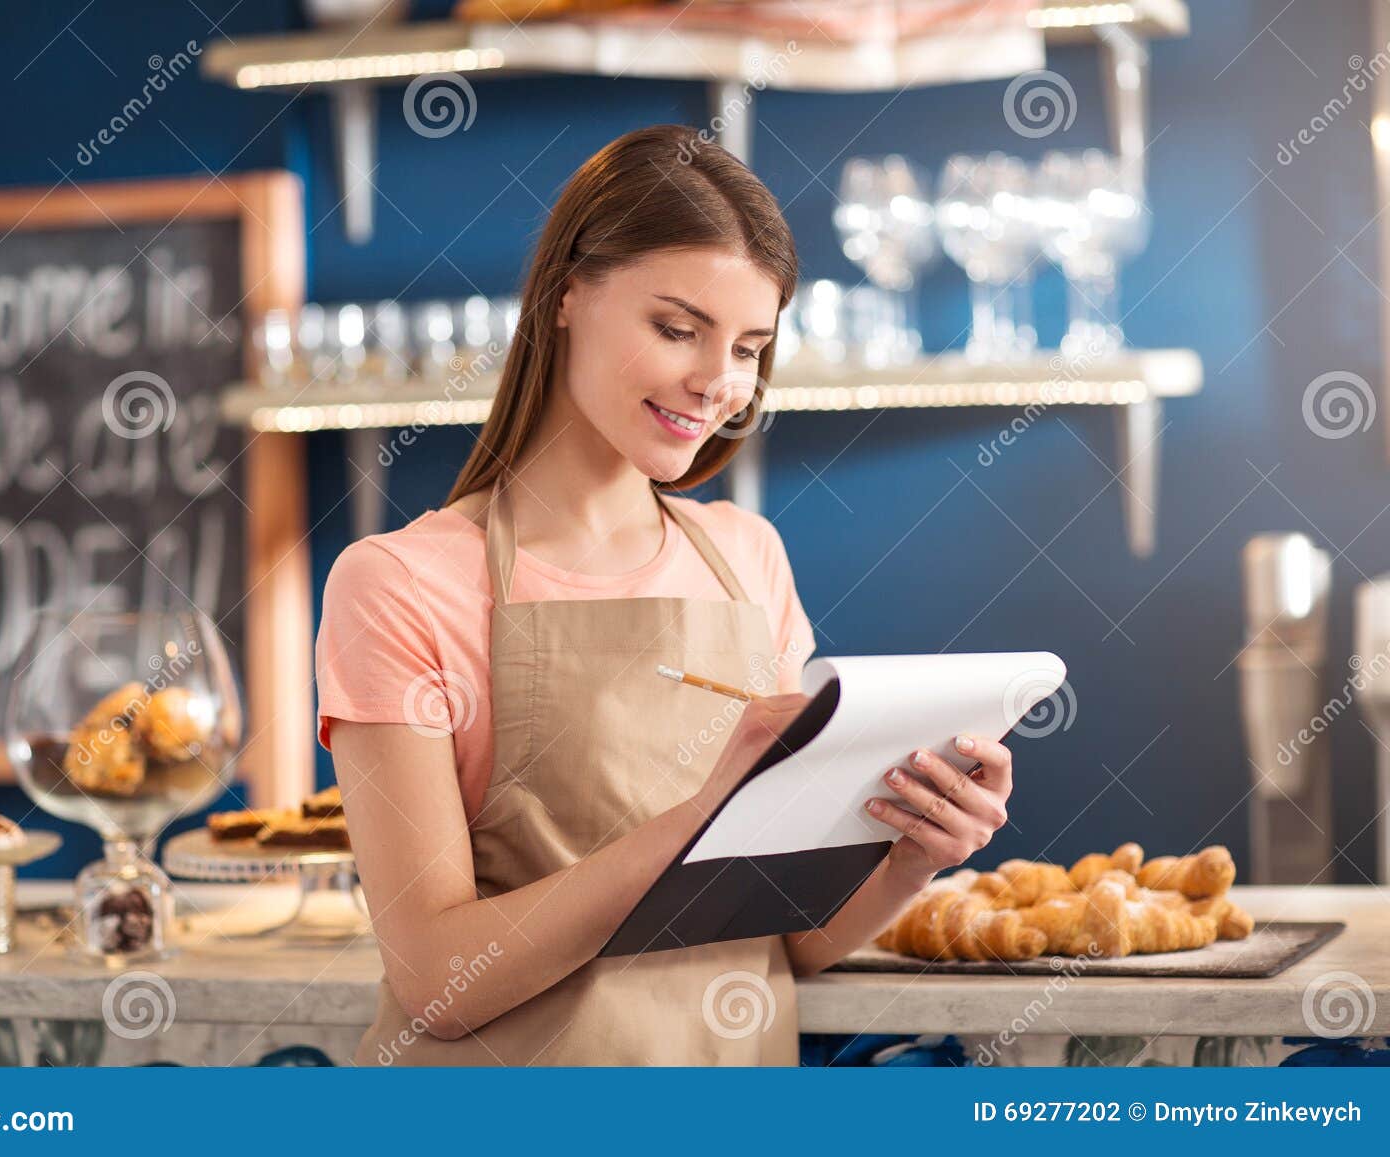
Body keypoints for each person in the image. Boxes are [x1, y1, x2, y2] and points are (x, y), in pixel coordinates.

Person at [315, 124, 1014, 1066]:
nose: (718, 382)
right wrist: (702, 822)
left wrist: (913, 852)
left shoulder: (746, 557)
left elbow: (788, 941)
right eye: (677, 329)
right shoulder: (398, 585)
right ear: (567, 297)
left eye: (749, 347)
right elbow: (437, 981)